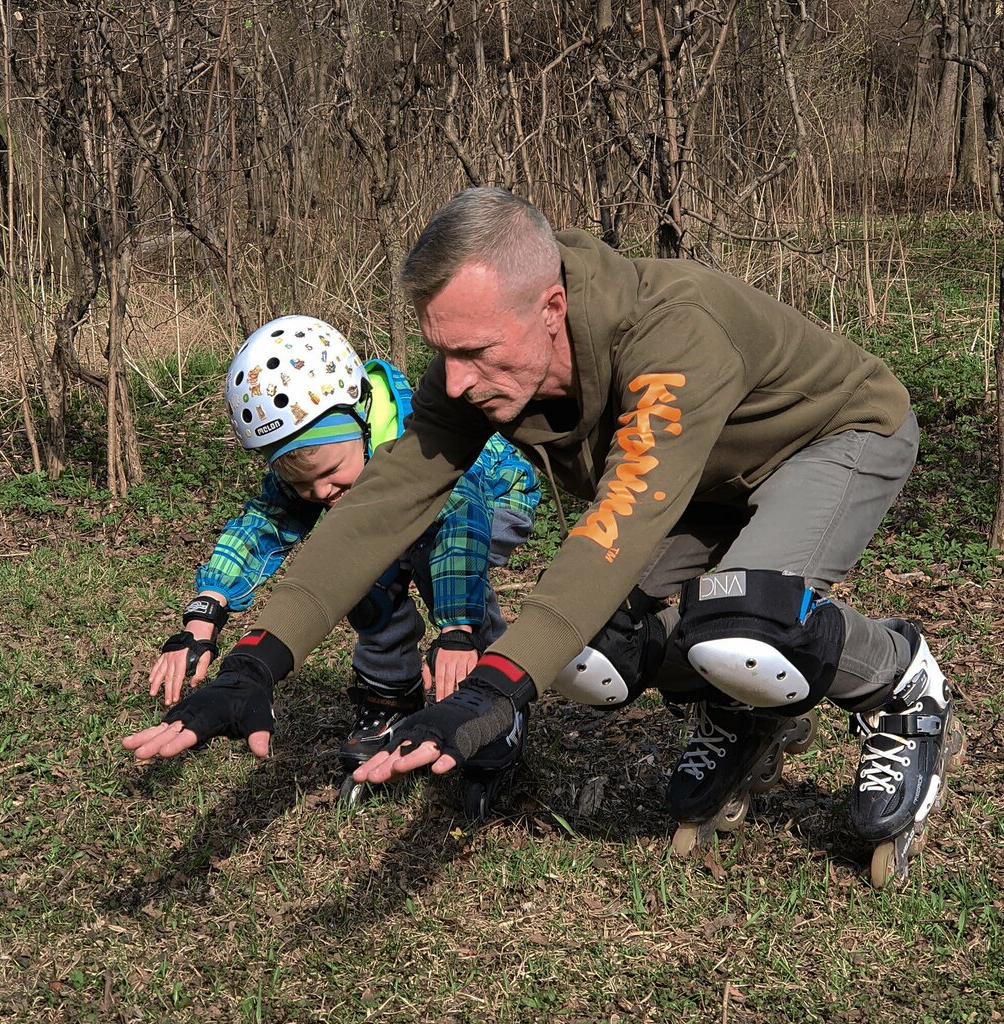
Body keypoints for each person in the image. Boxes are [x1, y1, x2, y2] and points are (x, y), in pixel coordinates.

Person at [124, 190, 964, 885]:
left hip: (831, 437)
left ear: (551, 307)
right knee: (592, 657)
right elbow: (382, 503)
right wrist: (256, 660)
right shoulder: (481, 362)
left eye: (475, 353)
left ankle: (900, 681)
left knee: (745, 631)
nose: (454, 382)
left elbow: (616, 529)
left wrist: (489, 693)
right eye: (440, 354)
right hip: (703, 479)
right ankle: (745, 712)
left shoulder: (671, 333)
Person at [133, 313, 539, 799]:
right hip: (408, 514)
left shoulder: (416, 434)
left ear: (361, 417)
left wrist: (455, 629)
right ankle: (391, 696)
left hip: (490, 499)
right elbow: (261, 524)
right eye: (301, 484)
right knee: (365, 579)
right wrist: (203, 613)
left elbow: (461, 519)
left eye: (327, 473)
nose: (319, 491)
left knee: (441, 566)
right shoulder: (322, 464)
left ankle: (493, 700)